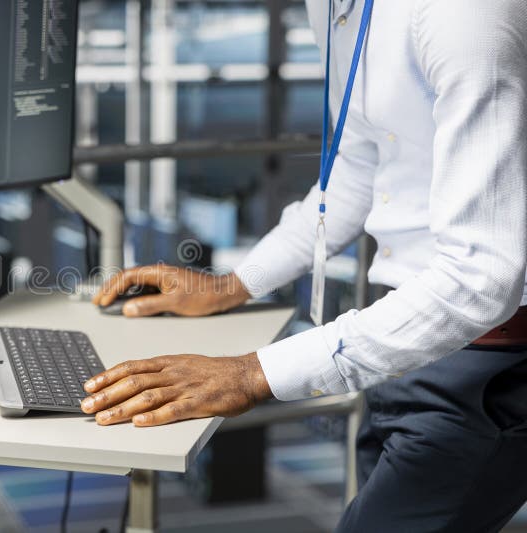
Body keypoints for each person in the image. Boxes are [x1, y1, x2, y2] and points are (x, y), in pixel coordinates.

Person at [81, 0, 527, 530]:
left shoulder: (463, 14)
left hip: (490, 358)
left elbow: (480, 280)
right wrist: (233, 285)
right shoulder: (336, 7)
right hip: (402, 338)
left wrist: (253, 374)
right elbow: (356, 167)